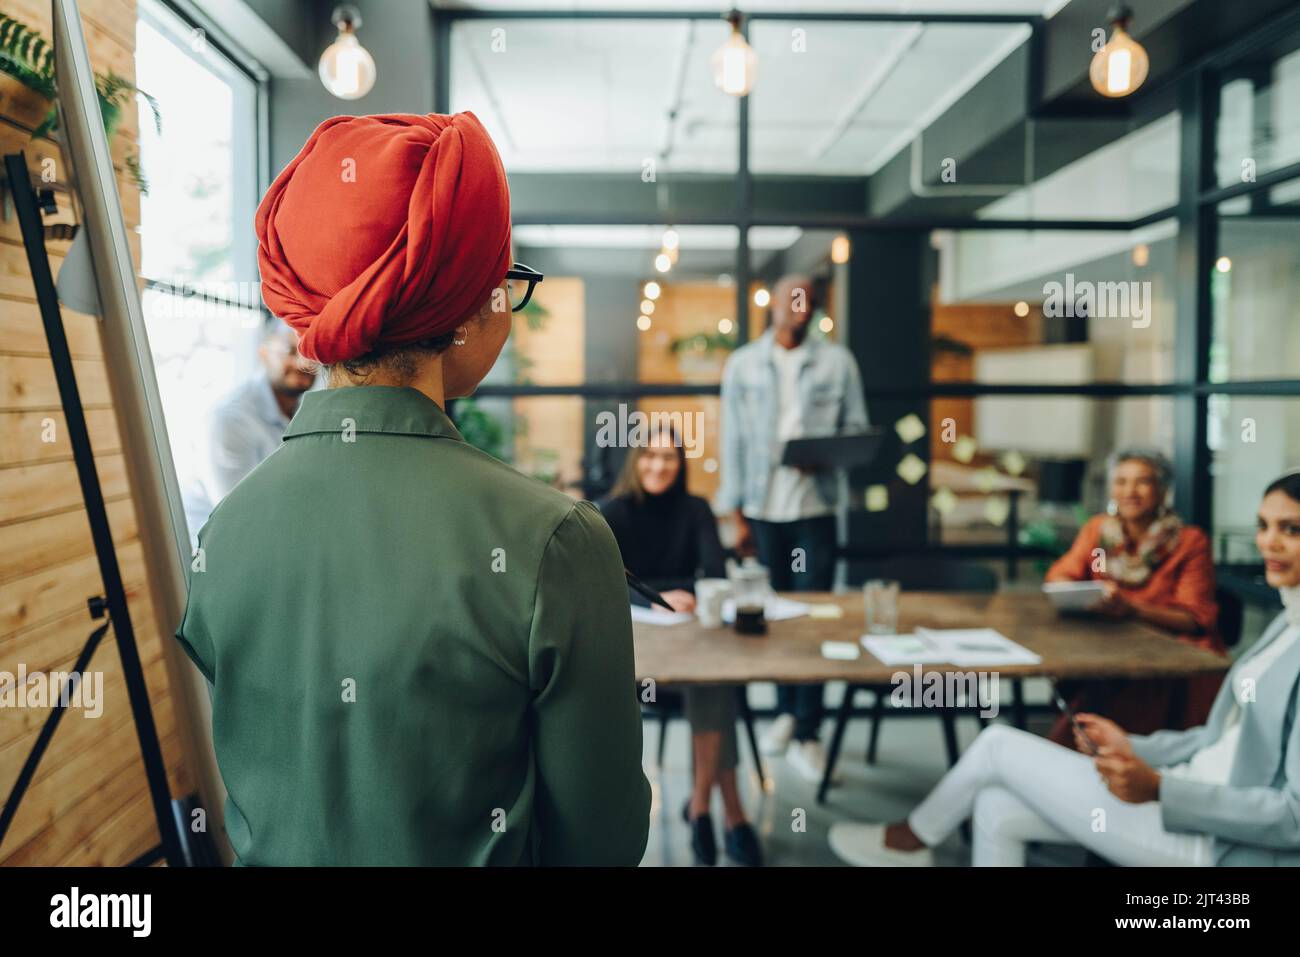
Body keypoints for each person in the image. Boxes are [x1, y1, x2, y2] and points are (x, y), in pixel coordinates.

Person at [174, 112, 650, 865]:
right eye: (508, 283)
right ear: (466, 306)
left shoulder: (223, 534)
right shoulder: (555, 542)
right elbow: (603, 843)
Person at [829, 470, 1300, 867]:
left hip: (1218, 837)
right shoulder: (1286, 620)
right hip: (1188, 789)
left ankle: (912, 840)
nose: (1268, 543)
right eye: (1263, 526)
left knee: (996, 745)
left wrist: (1161, 790)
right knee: (996, 805)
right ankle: (915, 840)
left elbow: (1292, 818)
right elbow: (1217, 742)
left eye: (1290, 530)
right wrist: (1133, 746)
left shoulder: (1190, 545)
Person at [718, 274, 868, 782]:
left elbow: (856, 431)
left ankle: (809, 730)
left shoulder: (838, 362)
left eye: (808, 299)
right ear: (774, 304)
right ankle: (785, 712)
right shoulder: (742, 364)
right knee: (775, 615)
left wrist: (824, 456)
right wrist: (735, 511)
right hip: (762, 509)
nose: (799, 307)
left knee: (813, 617)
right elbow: (732, 441)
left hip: (816, 510)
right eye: (791, 298)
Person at [599, 425, 763, 866]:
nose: (659, 466)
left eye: (669, 458)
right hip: (639, 661)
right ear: (636, 461)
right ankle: (732, 814)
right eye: (650, 457)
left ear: (680, 465)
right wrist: (661, 595)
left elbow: (714, 573)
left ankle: (704, 809)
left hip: (691, 646)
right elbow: (602, 579)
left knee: (713, 681)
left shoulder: (696, 510)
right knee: (718, 689)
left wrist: (663, 590)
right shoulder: (612, 512)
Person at [1045, 448, 1224, 741]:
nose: (1130, 491)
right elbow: (1060, 574)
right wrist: (1084, 592)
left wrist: (1131, 609)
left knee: (1110, 720)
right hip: (1109, 646)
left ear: (1163, 490)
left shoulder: (1189, 541)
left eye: (1143, 482)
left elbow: (1195, 619)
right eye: (1121, 481)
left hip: (1169, 655)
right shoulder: (1099, 532)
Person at [182, 321, 316, 537]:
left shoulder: (306, 413)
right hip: (221, 551)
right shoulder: (229, 419)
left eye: (309, 353)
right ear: (263, 354)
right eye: (290, 351)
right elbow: (238, 514)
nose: (302, 362)